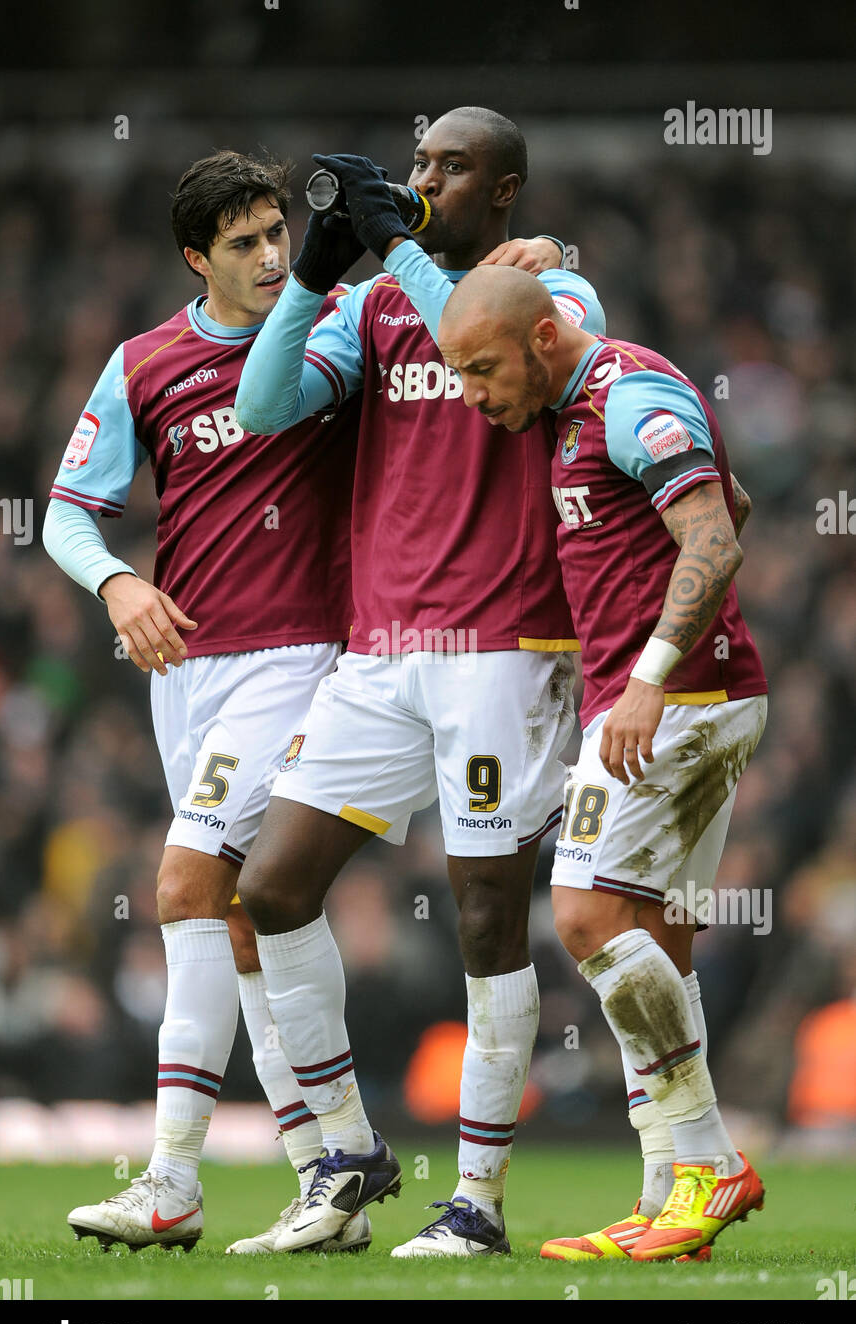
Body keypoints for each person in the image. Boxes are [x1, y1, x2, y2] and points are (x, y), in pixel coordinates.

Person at [233, 107, 605, 1257]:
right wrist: (313, 276)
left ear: (502, 190)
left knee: (486, 914)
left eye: (449, 168)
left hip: (502, 645)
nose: (423, 179)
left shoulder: (559, 297)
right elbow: (258, 409)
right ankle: (345, 1158)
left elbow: (474, 330)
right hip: (381, 651)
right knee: (273, 886)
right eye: (416, 165)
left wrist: (395, 245)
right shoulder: (373, 303)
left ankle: (478, 1204)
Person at [42, 150, 371, 1254]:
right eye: (244, 243)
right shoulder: (143, 363)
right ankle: (330, 1174)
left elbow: (435, 307)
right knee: (236, 923)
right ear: (197, 257)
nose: (273, 255)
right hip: (186, 670)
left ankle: (171, 1178)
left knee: (184, 882)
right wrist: (119, 579)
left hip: (298, 655)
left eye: (278, 232)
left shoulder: (331, 332)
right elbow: (67, 513)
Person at [433, 264, 769, 1262]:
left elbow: (714, 536)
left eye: (482, 369)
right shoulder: (565, 401)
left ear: (541, 342)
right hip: (670, 698)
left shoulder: (631, 395)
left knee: (579, 912)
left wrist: (650, 671)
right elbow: (734, 497)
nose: (472, 395)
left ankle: (708, 1162)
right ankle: (670, 1196)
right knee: (656, 943)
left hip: (680, 704)